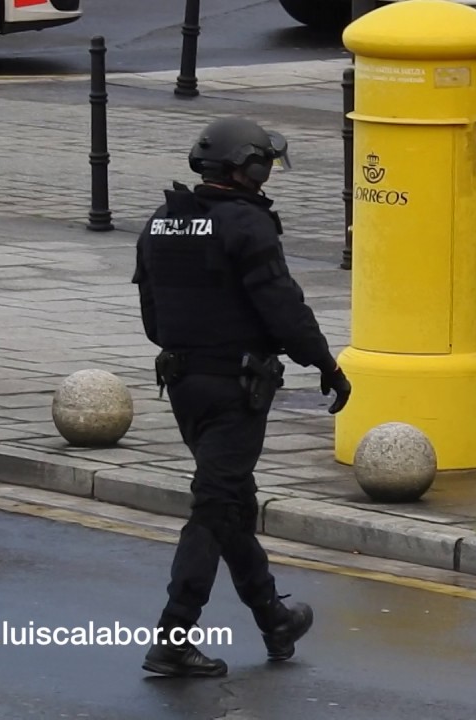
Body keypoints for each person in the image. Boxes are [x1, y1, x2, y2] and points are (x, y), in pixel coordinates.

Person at [132, 117, 352, 678]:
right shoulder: (247, 226)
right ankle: (174, 635)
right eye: (264, 166)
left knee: (230, 500)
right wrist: (325, 363)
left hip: (182, 385)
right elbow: (283, 307)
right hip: (235, 388)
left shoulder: (162, 222)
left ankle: (273, 616)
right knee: (214, 505)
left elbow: (154, 320)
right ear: (247, 167)